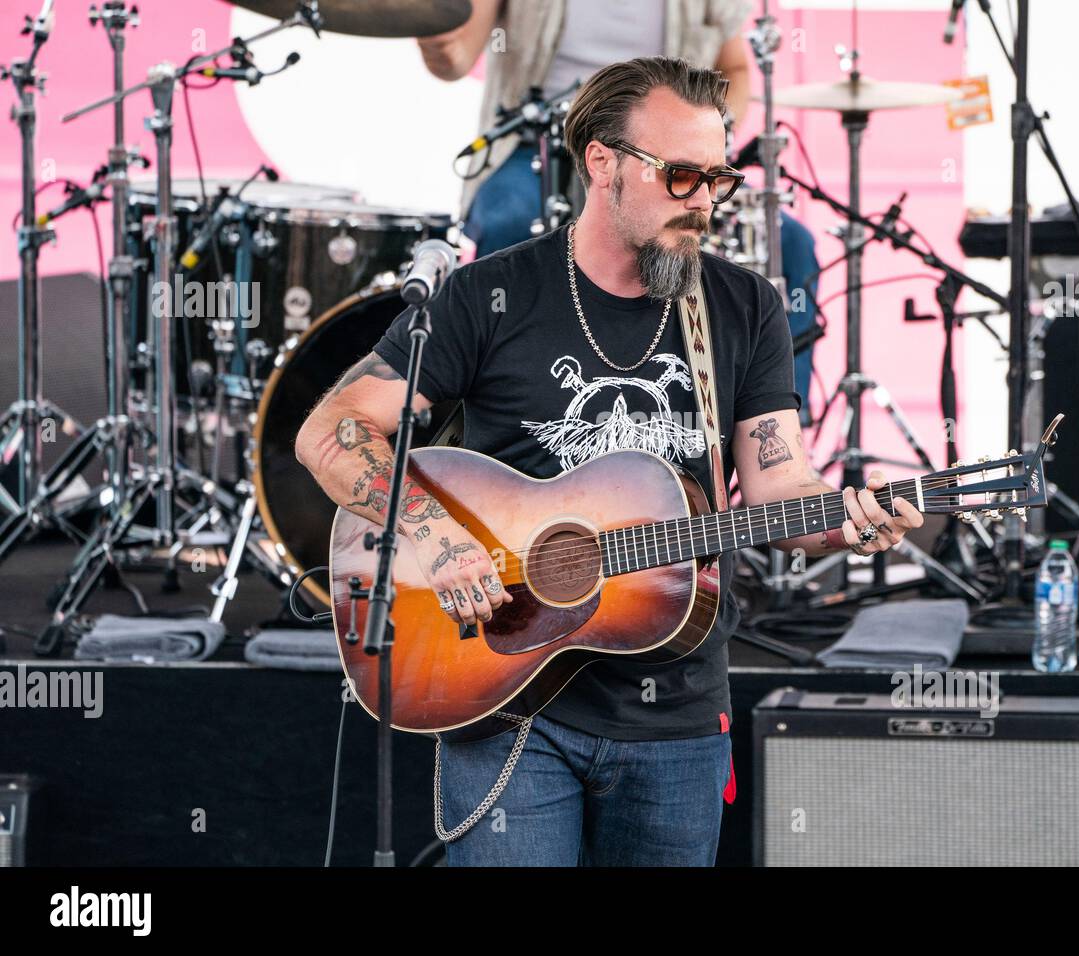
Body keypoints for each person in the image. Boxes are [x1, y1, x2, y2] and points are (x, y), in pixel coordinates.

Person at [295, 57, 922, 866]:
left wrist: (849, 524)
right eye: (681, 175)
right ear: (602, 163)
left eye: (717, 179)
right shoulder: (490, 296)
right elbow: (332, 430)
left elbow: (780, 488)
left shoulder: (743, 306)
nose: (703, 201)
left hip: (678, 714)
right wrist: (435, 534)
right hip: (506, 697)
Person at [417, 0, 820, 413]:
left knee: (790, 243)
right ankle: (496, 413)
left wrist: (702, 145)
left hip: (671, 154)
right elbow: (454, 58)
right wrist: (427, 24)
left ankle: (787, 420)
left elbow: (734, 70)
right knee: (509, 222)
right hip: (534, 142)